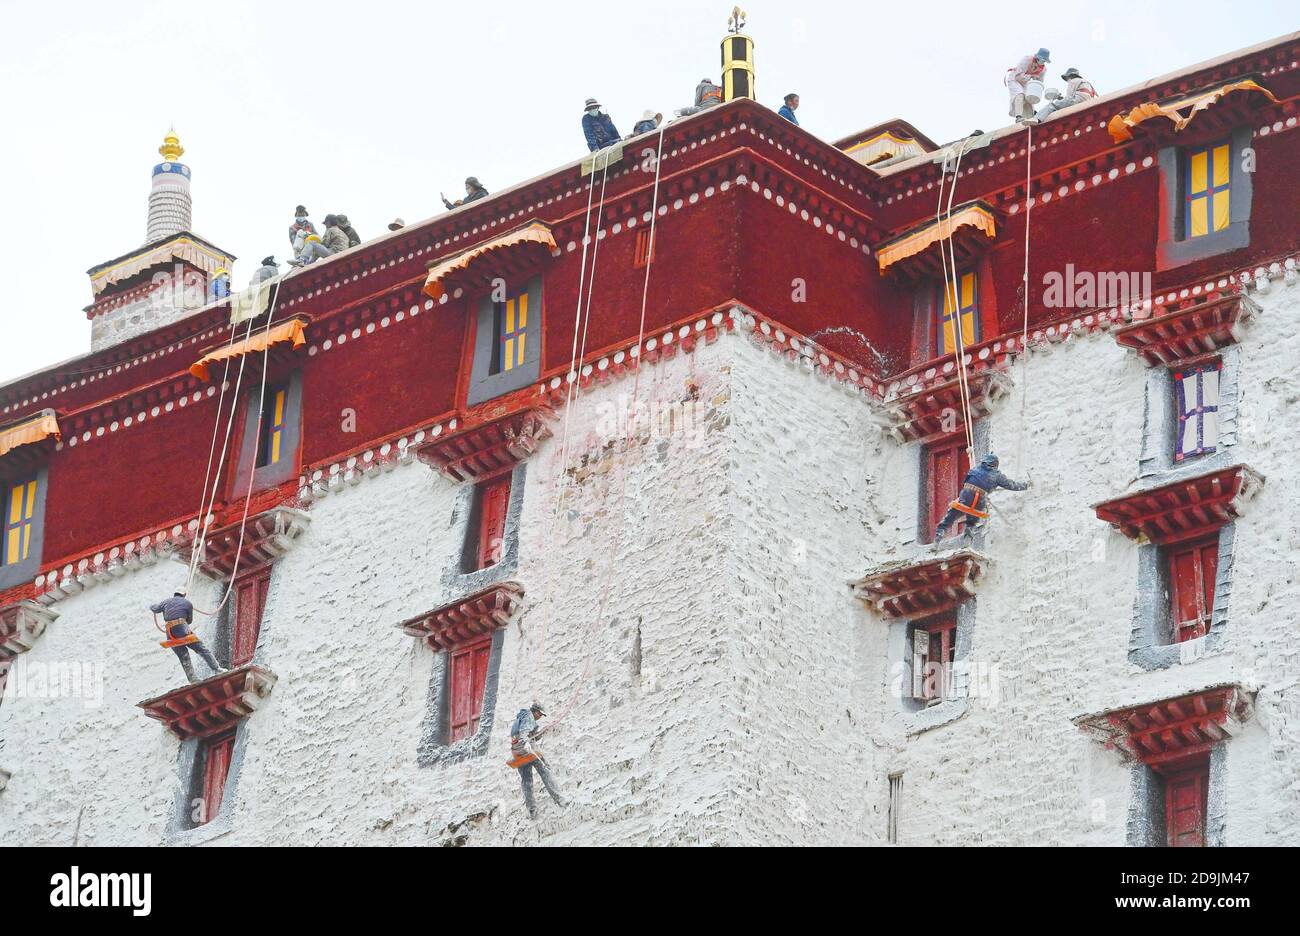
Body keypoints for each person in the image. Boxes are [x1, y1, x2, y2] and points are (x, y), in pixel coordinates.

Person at [934, 452, 1031, 542]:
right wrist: (1026, 485)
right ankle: (967, 539)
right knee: (972, 520)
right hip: (980, 499)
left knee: (951, 515)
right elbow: (1011, 485)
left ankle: (939, 535)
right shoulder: (997, 475)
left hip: (967, 494)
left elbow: (966, 482)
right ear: (995, 464)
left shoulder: (974, 469)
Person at [151, 590, 224, 684]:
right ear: (184, 595)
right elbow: (189, 621)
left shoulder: (166, 602)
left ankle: (192, 679)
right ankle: (216, 669)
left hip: (170, 634)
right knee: (201, 649)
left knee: (183, 656)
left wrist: (151, 606)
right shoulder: (188, 603)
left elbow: (155, 609)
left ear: (175, 594)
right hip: (182, 629)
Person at [510, 701, 567, 820]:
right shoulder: (529, 716)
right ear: (535, 712)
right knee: (545, 770)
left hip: (516, 751)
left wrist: (544, 730)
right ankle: (561, 800)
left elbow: (532, 735)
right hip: (526, 749)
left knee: (526, 780)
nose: (540, 717)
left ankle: (532, 811)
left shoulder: (522, 719)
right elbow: (524, 732)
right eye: (540, 714)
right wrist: (526, 743)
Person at [1005, 48, 1050, 123]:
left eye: (1044, 60)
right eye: (1041, 59)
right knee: (1020, 95)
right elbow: (1017, 76)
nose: (1042, 62)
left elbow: (1040, 82)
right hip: (1014, 79)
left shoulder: (1043, 69)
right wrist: (1031, 76)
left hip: (1026, 83)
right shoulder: (1027, 60)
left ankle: (1030, 118)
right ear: (1037, 57)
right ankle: (1018, 117)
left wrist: (1036, 84)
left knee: (1029, 99)